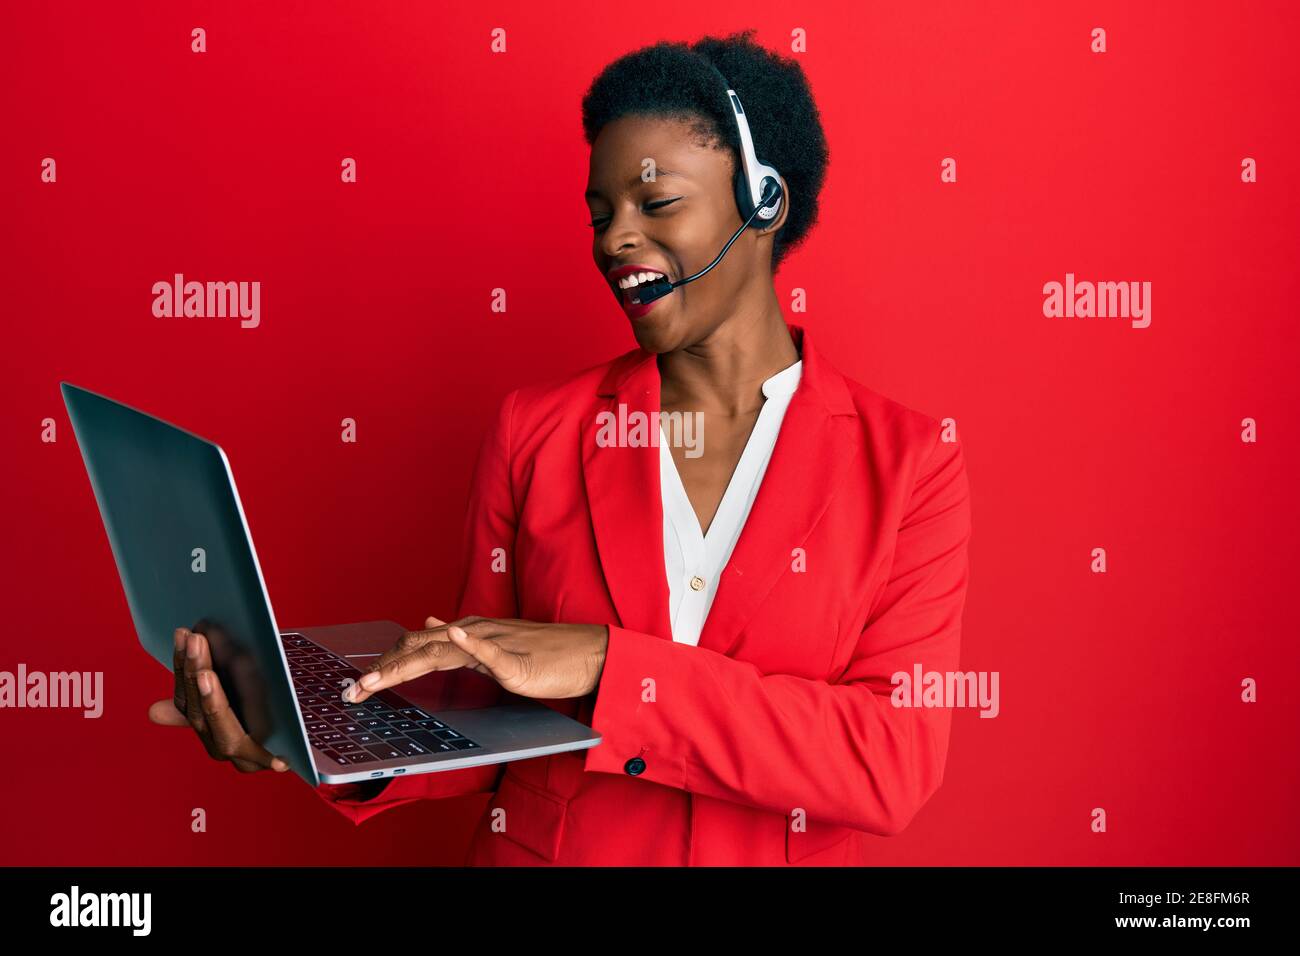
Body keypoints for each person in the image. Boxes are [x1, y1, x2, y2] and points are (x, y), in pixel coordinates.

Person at [150, 29, 973, 866]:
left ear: (765, 203)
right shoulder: (533, 431)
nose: (615, 239)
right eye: (600, 213)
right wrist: (311, 740)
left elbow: (887, 761)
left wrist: (608, 663)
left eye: (655, 205)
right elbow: (479, 708)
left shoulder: (910, 466)